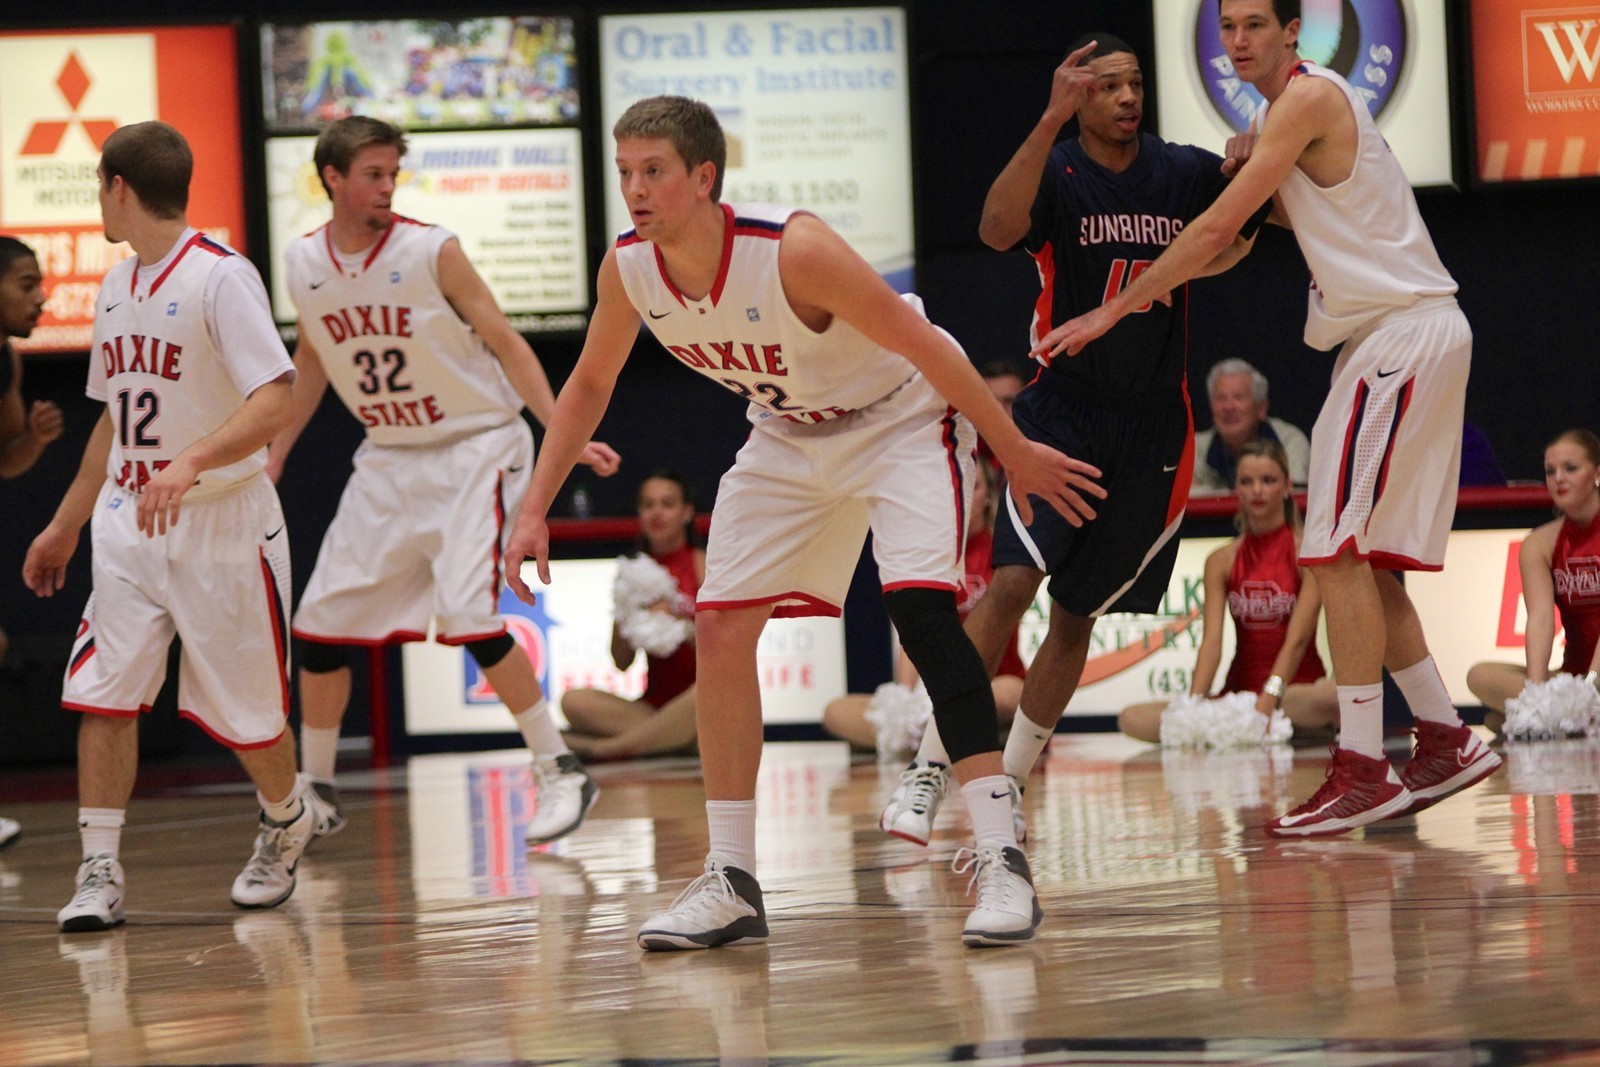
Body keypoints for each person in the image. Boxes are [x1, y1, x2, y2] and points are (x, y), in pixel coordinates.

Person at [504, 95, 1105, 951]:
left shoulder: (794, 250)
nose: (634, 190)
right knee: (719, 626)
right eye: (625, 171)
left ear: (704, 177)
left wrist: (1013, 449)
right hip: (787, 431)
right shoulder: (628, 268)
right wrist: (534, 508)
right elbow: (589, 386)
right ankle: (732, 876)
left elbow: (929, 345)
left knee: (924, 615)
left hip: (900, 414)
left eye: (654, 172)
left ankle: (1001, 856)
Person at [1039, 0, 1502, 835]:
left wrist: (1116, 308)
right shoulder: (1284, 121)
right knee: (1363, 563)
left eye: (1257, 24)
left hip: (1399, 333)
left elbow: (1215, 223)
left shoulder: (1308, 100)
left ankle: (1363, 765)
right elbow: (1246, 236)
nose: (1240, 39)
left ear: (1295, 32)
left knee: (1331, 551)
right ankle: (1444, 736)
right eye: (1228, 28)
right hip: (1394, 337)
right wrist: (1177, 261)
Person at [879, 33, 1259, 846]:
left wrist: (1249, 161)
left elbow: (1244, 234)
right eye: (1109, 85)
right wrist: (1046, 121)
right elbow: (992, 227)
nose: (1127, 97)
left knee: (1076, 611)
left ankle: (1009, 782)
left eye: (1135, 84)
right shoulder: (1058, 170)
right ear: (1080, 96)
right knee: (1010, 586)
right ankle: (928, 768)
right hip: (1062, 410)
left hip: (1154, 421)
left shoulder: (1184, 170)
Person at [268, 116, 620, 847]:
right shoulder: (303, 262)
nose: (386, 187)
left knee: (471, 614)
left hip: (476, 445)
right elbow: (313, 359)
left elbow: (505, 339)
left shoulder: (433, 249)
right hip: (390, 453)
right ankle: (319, 788)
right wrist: (276, 454)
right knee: (319, 622)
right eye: (372, 173)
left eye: (393, 174)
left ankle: (561, 768)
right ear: (331, 178)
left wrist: (564, 431)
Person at [22, 121, 314, 931]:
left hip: (222, 521)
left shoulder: (223, 278)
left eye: (98, 186)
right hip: (129, 524)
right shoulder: (116, 287)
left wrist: (188, 462)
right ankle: (99, 869)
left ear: (119, 186)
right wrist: (64, 523)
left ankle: (287, 817)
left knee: (253, 720)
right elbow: (115, 423)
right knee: (103, 695)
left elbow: (276, 399)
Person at [1119, 440, 1336, 741]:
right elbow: (1212, 643)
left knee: (1331, 697)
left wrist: (1267, 703)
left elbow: (1297, 641)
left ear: (1287, 486)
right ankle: (1240, 728)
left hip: (1293, 693)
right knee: (1131, 719)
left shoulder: (1308, 554)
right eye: (1247, 482)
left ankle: (1268, 723)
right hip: (1238, 695)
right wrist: (1192, 707)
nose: (1257, 490)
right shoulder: (1220, 561)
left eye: (1268, 481)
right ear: (1236, 488)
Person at [823, 461, 1025, 754]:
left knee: (1012, 693)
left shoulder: (1005, 552)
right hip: (931, 693)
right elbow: (913, 632)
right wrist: (904, 698)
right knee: (836, 712)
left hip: (990, 682)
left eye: (976, 486)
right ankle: (933, 733)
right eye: (959, 486)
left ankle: (931, 735)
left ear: (990, 494)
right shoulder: (927, 555)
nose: (967, 495)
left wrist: (958, 689)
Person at [561, 469, 703, 761]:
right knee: (574, 701)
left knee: (705, 696)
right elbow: (621, 662)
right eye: (648, 505)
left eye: (667, 504)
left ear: (686, 512)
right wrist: (629, 618)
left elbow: (726, 653)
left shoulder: (704, 564)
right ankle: (672, 739)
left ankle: (606, 749)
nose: (657, 513)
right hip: (651, 708)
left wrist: (680, 623)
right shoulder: (632, 574)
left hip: (699, 700)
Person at [1467, 429, 1600, 735]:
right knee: (1481, 676)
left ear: (1596, 473)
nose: (1559, 479)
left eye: (1571, 468)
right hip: (1572, 680)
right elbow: (1540, 619)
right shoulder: (1539, 543)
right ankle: (1564, 719)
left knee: (1498, 721)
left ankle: (1578, 716)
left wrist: (1591, 687)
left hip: (1593, 682)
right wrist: (1537, 698)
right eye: (1550, 472)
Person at [0, 235, 64, 851]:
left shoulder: (6, 361)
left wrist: (36, 442)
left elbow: (7, 460)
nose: (40, 297)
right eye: (25, 284)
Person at [1190, 357, 1310, 494]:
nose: (1228, 407)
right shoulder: (1194, 447)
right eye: (1221, 398)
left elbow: (1294, 495)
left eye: (1238, 397)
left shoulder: (1290, 441)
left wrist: (1210, 493)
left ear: (1261, 408)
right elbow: (1183, 497)